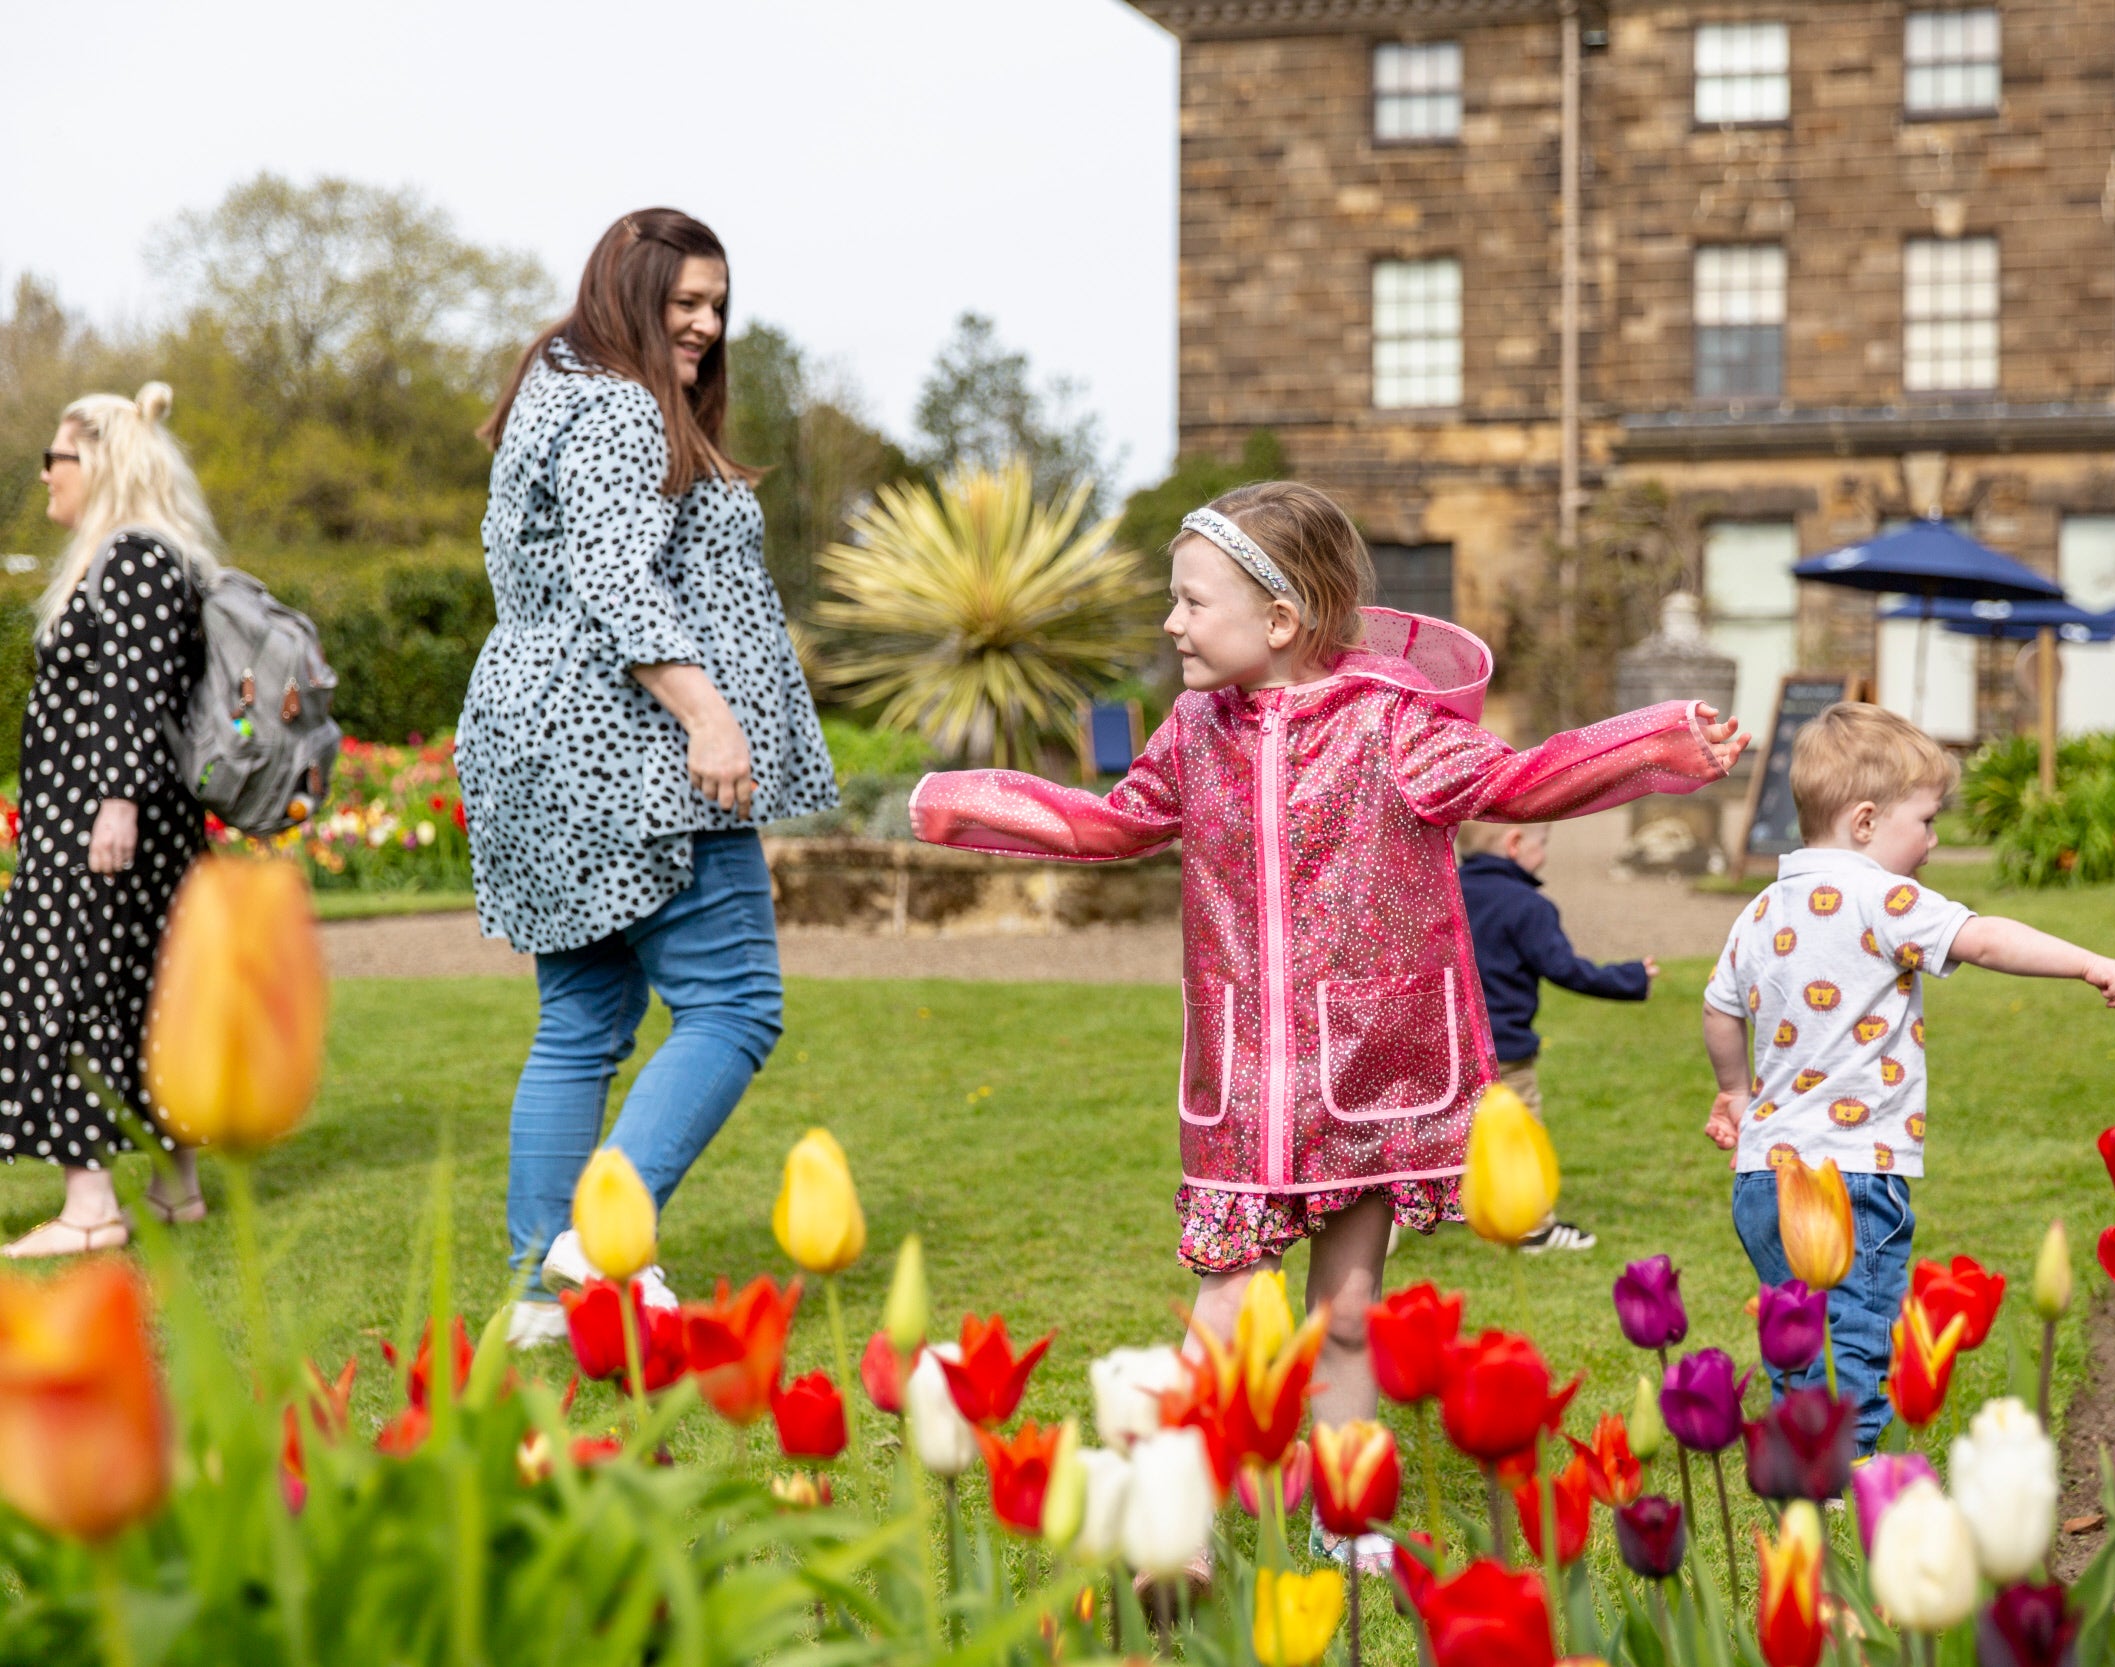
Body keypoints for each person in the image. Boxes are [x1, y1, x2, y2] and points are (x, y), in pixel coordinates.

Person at [914, 481, 1746, 1565]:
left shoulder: (1390, 724)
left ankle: (1345, 1514)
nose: (1171, 623)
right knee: (1224, 1298)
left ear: (1278, 619)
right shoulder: (1190, 729)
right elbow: (1114, 824)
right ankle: (1181, 1510)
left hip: (1372, 1070)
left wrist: (1659, 743)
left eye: (1190, 601)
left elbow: (1519, 780)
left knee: (1349, 1307)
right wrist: (962, 803)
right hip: (1248, 1081)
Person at [460, 209, 837, 1347]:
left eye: (717, 305)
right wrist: (712, 720)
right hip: (629, 750)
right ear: (628, 296)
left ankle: (539, 1290)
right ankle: (593, 1246)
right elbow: (621, 580)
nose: (707, 326)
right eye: (683, 304)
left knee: (581, 1016)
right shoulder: (620, 408)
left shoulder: (553, 395)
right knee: (734, 1006)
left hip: (536, 740)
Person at [1700, 702, 2115, 1449]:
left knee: (1797, 1333)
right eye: (1924, 820)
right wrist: (2090, 962)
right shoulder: (1884, 897)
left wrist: (1734, 1091)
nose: (1934, 839)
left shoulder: (1758, 910)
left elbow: (1720, 1009)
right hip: (1852, 1171)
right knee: (1855, 1333)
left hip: (1763, 1172)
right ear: (1864, 822)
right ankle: (1845, 1482)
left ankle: (1800, 1464)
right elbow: (1983, 937)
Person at [2, 384, 215, 1255]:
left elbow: (135, 690)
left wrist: (113, 805)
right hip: (111, 815)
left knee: (67, 991)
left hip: (101, 820)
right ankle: (176, 1188)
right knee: (141, 993)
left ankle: (90, 1207)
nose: (46, 474)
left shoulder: (129, 557)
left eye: (55, 458)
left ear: (97, 462)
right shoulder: (144, 554)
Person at [1455, 821, 1656, 1253]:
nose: (1543, 856)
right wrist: (1630, 977)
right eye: (1541, 845)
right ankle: (1534, 1228)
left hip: (1448, 1050)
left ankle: (1402, 1214)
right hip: (1504, 1052)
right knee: (1519, 1136)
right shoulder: (1528, 906)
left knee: (1443, 1131)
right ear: (1514, 845)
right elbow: (1566, 969)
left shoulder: (1443, 893)